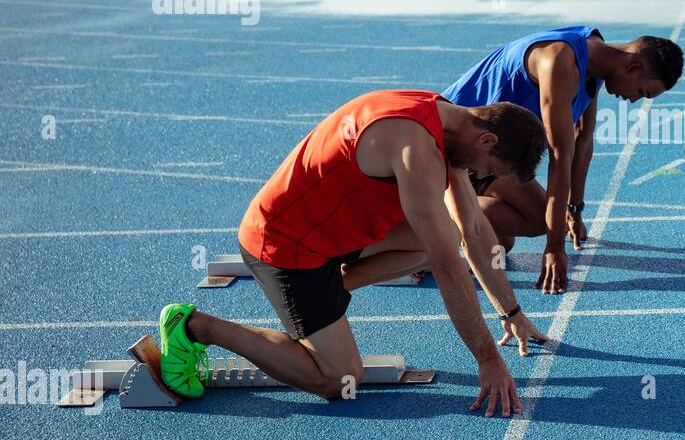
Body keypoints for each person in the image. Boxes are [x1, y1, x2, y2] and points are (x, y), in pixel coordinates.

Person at [156, 89, 548, 417]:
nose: (483, 177)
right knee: (338, 380)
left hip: (330, 235)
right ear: (487, 140)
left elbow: (474, 232)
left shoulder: (443, 120)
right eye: (490, 169)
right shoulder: (415, 145)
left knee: (439, 235)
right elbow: (448, 266)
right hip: (285, 244)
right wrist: (487, 360)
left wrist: (509, 312)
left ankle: (337, 286)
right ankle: (194, 327)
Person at [442, 26, 684, 295]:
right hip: (452, 149)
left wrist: (574, 208)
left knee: (505, 240)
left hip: (493, 155)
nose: (634, 100)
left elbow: (582, 139)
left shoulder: (597, 61)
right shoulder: (558, 62)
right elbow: (560, 156)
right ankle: (425, 220)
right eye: (642, 92)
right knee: (535, 224)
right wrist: (554, 247)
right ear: (633, 67)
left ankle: (448, 217)